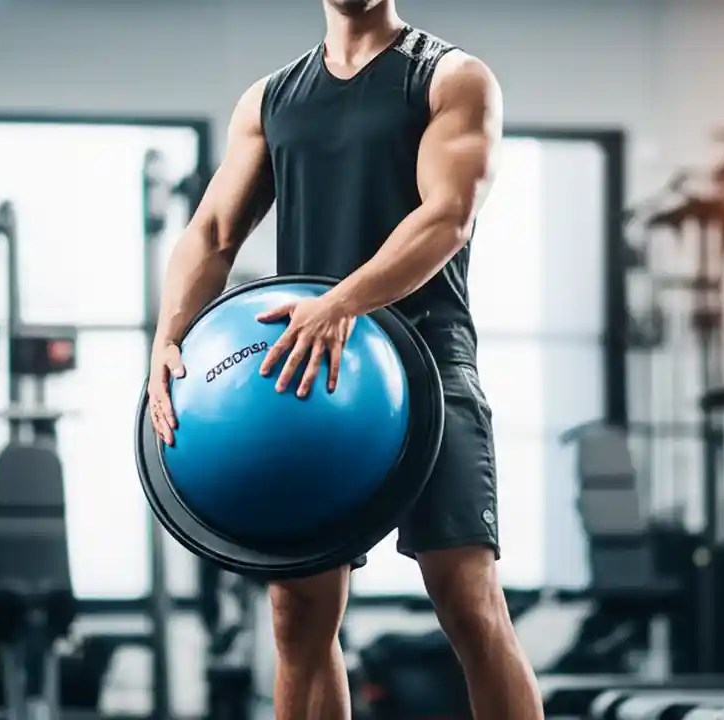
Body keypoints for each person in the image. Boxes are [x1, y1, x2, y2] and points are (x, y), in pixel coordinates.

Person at [145, 0, 543, 717]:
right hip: (305, 373)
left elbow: (446, 216)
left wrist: (342, 303)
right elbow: (212, 232)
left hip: (428, 363)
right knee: (297, 615)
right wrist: (167, 339)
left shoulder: (450, 78)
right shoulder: (270, 100)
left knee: (468, 600)